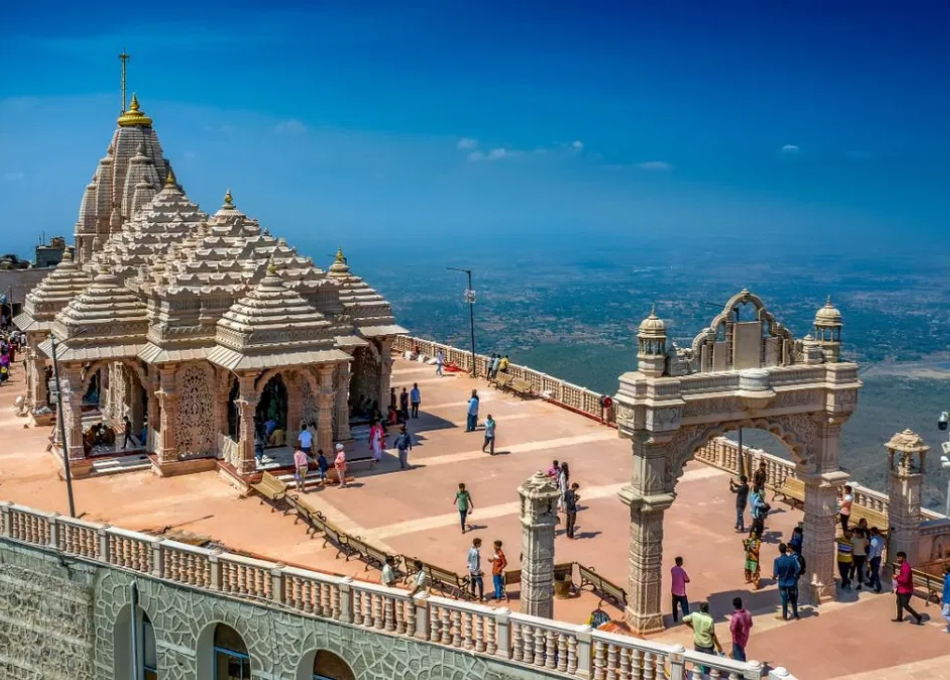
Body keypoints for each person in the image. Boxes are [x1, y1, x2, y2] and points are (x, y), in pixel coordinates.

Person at [683, 602, 723, 671]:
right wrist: (718, 646)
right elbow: (712, 635)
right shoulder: (710, 620)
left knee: (698, 663)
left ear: (700, 608)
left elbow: (684, 619)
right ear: (707, 609)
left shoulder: (694, 615)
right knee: (707, 665)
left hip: (697, 644)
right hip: (707, 646)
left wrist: (692, 627)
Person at [892, 551, 923, 624]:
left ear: (904, 558)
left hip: (906, 590)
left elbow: (905, 580)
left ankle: (918, 616)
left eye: (899, 558)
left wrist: (896, 577)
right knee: (898, 603)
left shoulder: (906, 567)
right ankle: (899, 618)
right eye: (897, 558)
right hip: (901, 589)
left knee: (905, 605)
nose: (897, 559)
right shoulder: (903, 566)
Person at [773, 543, 801, 620]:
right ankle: (796, 615)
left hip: (782, 583)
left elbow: (776, 573)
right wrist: (794, 575)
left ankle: (785, 616)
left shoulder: (777, 560)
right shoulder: (792, 559)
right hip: (791, 582)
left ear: (779, 550)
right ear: (786, 550)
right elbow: (798, 569)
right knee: (793, 599)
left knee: (784, 599)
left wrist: (774, 577)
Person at [729, 596, 753, 662]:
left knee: (738, 657)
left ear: (734, 605)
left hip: (737, 639)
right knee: (741, 651)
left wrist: (738, 633)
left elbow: (732, 629)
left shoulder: (736, 616)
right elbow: (751, 624)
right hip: (745, 637)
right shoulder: (748, 613)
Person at [670, 556, 691, 622]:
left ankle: (675, 619)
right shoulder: (682, 571)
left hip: (674, 591)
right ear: (679, 562)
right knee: (685, 606)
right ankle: (687, 618)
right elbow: (687, 580)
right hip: (681, 592)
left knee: (674, 606)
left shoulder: (672, 569)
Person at [866, 526, 884, 593]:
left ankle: (879, 587)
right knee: (874, 571)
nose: (870, 533)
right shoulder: (881, 538)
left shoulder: (873, 540)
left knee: (875, 573)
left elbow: (872, 551)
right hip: (879, 557)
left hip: (874, 558)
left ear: (873, 532)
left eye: (871, 532)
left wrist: (868, 559)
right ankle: (871, 583)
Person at [851, 526, 869, 590]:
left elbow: (867, 544)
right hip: (855, 555)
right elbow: (851, 549)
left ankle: (860, 584)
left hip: (861, 556)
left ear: (859, 533)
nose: (854, 534)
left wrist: (864, 536)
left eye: (856, 533)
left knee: (859, 570)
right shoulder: (853, 539)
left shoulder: (864, 540)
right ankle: (851, 581)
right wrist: (851, 557)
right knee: (852, 568)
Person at [941, 564, 950, 633]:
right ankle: (949, 629)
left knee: (944, 614)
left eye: (943, 570)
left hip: (948, 599)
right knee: (948, 614)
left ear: (946, 571)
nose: (942, 571)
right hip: (946, 598)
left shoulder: (949, 579)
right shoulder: (947, 577)